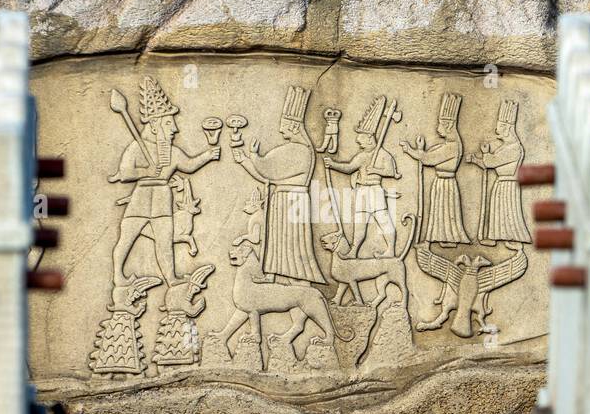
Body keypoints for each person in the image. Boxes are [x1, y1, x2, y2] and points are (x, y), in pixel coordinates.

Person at [109, 77, 219, 286]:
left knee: (164, 241)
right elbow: (124, 173)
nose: (174, 128)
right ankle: (117, 276)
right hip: (141, 197)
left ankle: (171, 278)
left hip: (161, 197)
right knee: (126, 239)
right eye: (169, 123)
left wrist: (209, 154)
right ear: (154, 124)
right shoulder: (136, 148)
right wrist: (146, 170)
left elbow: (189, 165)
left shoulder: (172, 151)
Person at [234, 85, 327, 284]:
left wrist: (253, 156)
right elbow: (267, 178)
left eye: (284, 125)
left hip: (290, 201)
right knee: (280, 243)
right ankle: (278, 278)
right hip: (285, 199)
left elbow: (267, 169)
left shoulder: (299, 150)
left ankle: (299, 283)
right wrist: (244, 161)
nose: (281, 130)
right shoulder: (296, 149)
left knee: (291, 245)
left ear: (294, 126)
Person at [323, 95, 400, 256]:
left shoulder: (384, 155)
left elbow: (393, 173)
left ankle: (391, 250)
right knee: (360, 222)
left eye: (362, 140)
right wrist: (333, 164)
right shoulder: (362, 156)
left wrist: (376, 170)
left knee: (383, 220)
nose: (359, 143)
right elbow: (349, 167)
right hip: (362, 191)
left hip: (375, 190)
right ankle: (354, 250)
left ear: (371, 138)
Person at [400, 91, 470, 246]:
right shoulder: (447, 144)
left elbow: (428, 159)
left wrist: (410, 150)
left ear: (449, 125)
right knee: (440, 211)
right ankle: (441, 239)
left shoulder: (452, 146)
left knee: (444, 211)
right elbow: (428, 155)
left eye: (441, 125)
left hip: (445, 183)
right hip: (442, 182)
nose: (438, 128)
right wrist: (419, 148)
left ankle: (448, 240)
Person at [467, 99, 532, 246]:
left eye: (500, 127)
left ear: (508, 128)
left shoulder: (514, 148)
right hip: (502, 183)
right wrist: (475, 160)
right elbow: (490, 162)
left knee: (507, 210)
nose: (497, 131)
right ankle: (498, 237)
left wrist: (484, 154)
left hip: (508, 184)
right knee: (498, 211)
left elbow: (491, 162)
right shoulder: (505, 147)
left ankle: (511, 239)